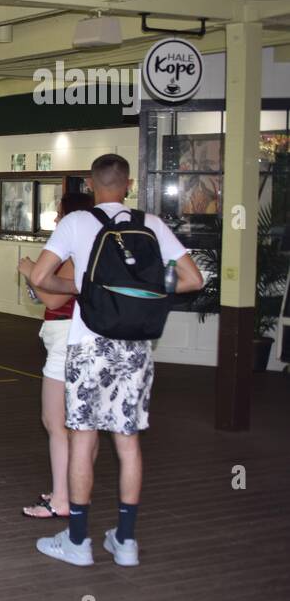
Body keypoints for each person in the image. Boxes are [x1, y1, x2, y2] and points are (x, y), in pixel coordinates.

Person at [28, 154, 203, 567]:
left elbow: (39, 277)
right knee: (127, 443)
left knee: (83, 438)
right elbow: (194, 279)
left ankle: (78, 542)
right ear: (128, 185)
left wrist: (85, 288)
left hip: (89, 345)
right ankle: (125, 542)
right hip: (136, 348)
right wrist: (147, 293)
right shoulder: (152, 224)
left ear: (91, 184)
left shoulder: (76, 223)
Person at [17, 191, 94, 520]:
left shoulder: (72, 254)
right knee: (84, 425)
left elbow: (52, 300)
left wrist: (30, 269)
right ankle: (76, 490)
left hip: (65, 340)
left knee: (56, 422)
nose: (57, 220)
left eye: (61, 214)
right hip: (86, 338)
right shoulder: (95, 249)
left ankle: (63, 498)